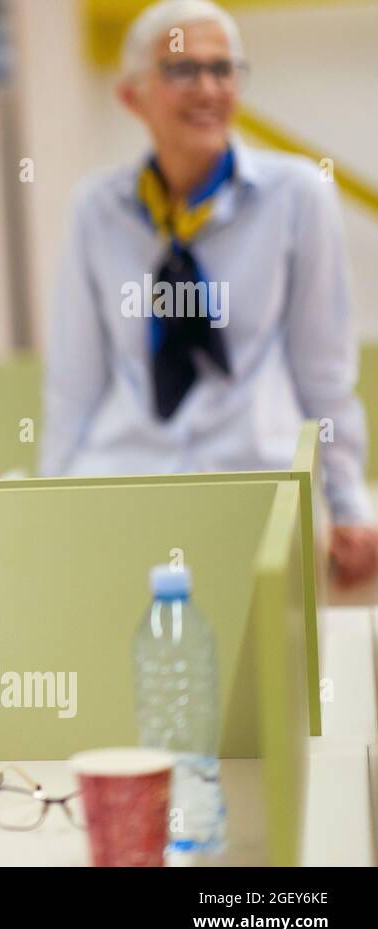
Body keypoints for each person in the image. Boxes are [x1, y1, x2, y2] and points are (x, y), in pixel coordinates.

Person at [39, 0, 378, 586]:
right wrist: (48, 503)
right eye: (181, 71)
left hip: (258, 489)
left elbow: (323, 372)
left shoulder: (297, 195)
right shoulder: (97, 208)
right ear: (131, 97)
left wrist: (348, 504)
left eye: (224, 70)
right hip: (127, 484)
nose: (208, 88)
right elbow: (75, 380)